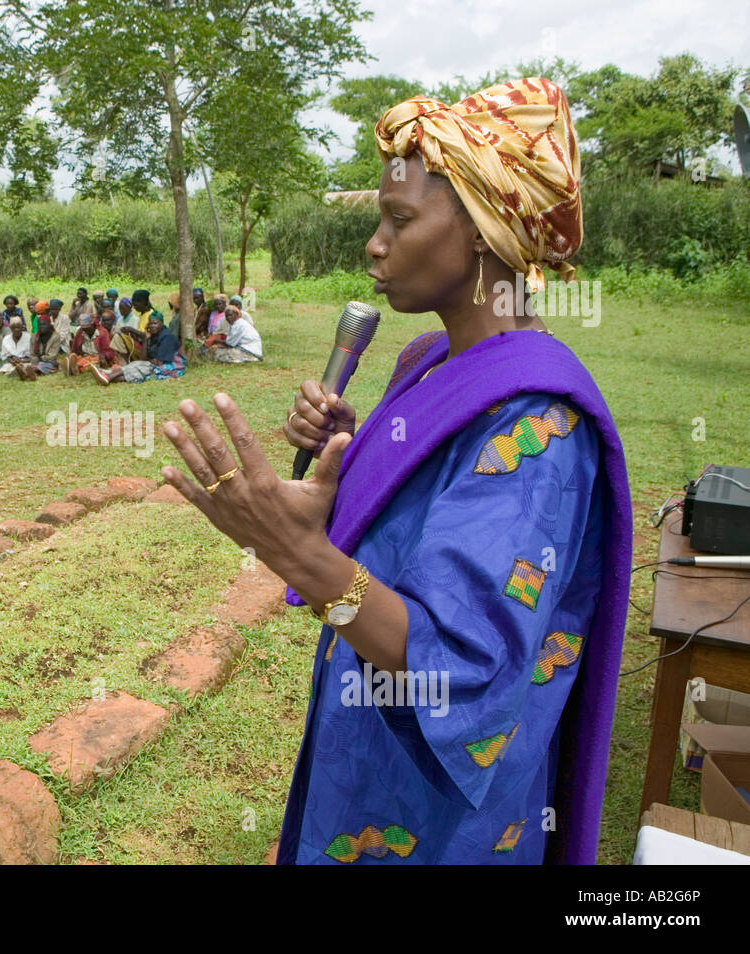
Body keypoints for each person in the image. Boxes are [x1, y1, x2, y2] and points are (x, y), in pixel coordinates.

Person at [159, 78, 630, 866]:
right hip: (370, 741)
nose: (375, 244)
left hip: (442, 813)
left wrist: (295, 553)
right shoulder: (431, 360)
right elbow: (418, 521)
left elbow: (460, 671)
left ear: (483, 230)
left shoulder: (539, 425)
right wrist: (356, 449)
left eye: (400, 219)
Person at [90, 315, 184, 384]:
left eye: (155, 323)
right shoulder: (153, 336)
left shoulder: (167, 337)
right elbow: (143, 357)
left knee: (138, 367)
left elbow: (159, 363)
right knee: (136, 366)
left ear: (162, 324)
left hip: (170, 366)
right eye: (150, 324)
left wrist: (149, 361)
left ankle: (108, 376)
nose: (152, 326)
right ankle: (106, 377)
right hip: (155, 363)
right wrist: (146, 339)